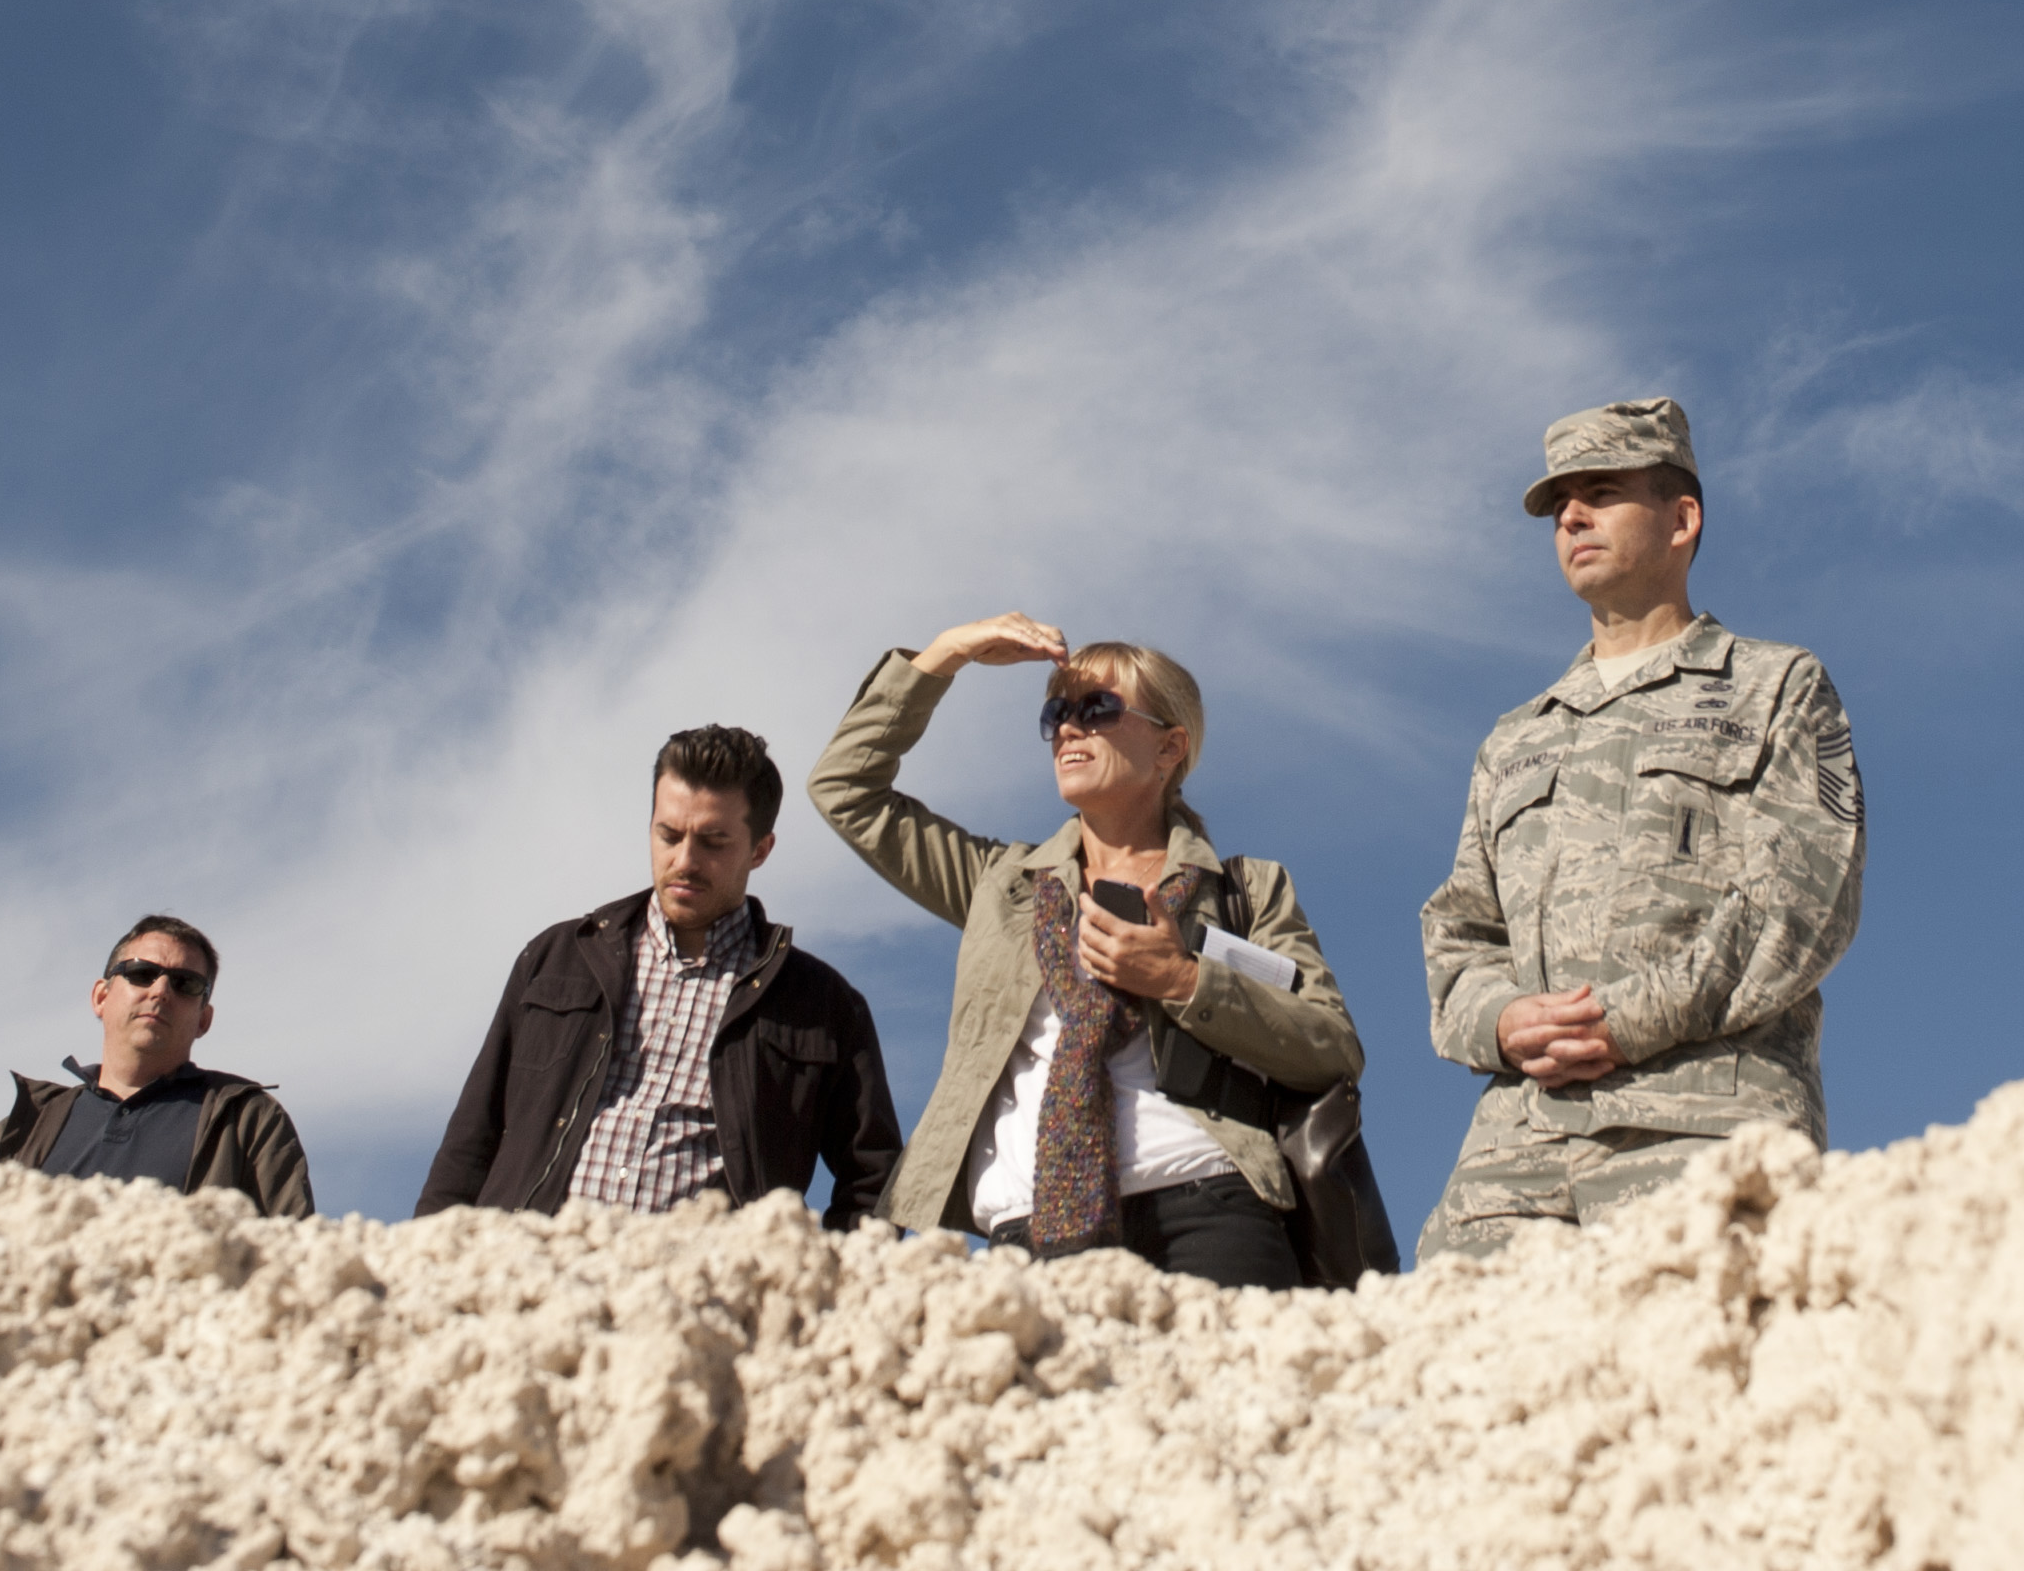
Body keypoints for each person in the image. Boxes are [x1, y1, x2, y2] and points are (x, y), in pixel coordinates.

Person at [1417, 398, 1864, 1263]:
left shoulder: (1775, 688)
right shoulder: (1516, 737)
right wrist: (1504, 1021)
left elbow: (1801, 902)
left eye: (1602, 492)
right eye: (1559, 507)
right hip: (1518, 1154)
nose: (1572, 517)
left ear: (1681, 520)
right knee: (1454, 1380)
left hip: (1704, 1126)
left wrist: (1621, 1020)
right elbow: (1460, 934)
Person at [810, 626, 1358, 1287]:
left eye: (1095, 711)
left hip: (1211, 1214)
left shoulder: (1249, 891)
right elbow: (845, 789)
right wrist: (945, 655)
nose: (1069, 729)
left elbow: (1332, 1047)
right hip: (1029, 1234)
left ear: (1169, 747)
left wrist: (1184, 980)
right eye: (1057, 714)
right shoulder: (1001, 885)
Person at [418, 725, 901, 1224]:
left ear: (760, 849)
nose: (685, 861)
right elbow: (471, 1140)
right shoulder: (558, 957)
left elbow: (875, 1179)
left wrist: (824, 1287)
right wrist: (423, 1270)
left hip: (697, 1290)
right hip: (529, 1272)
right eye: (668, 835)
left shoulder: (822, 1005)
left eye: (714, 842)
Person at [0, 915, 317, 1215]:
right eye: (142, 973)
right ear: (101, 996)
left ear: (204, 1019)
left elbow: (295, 1262)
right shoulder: (25, 1127)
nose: (161, 991)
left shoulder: (247, 1119)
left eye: (186, 983)